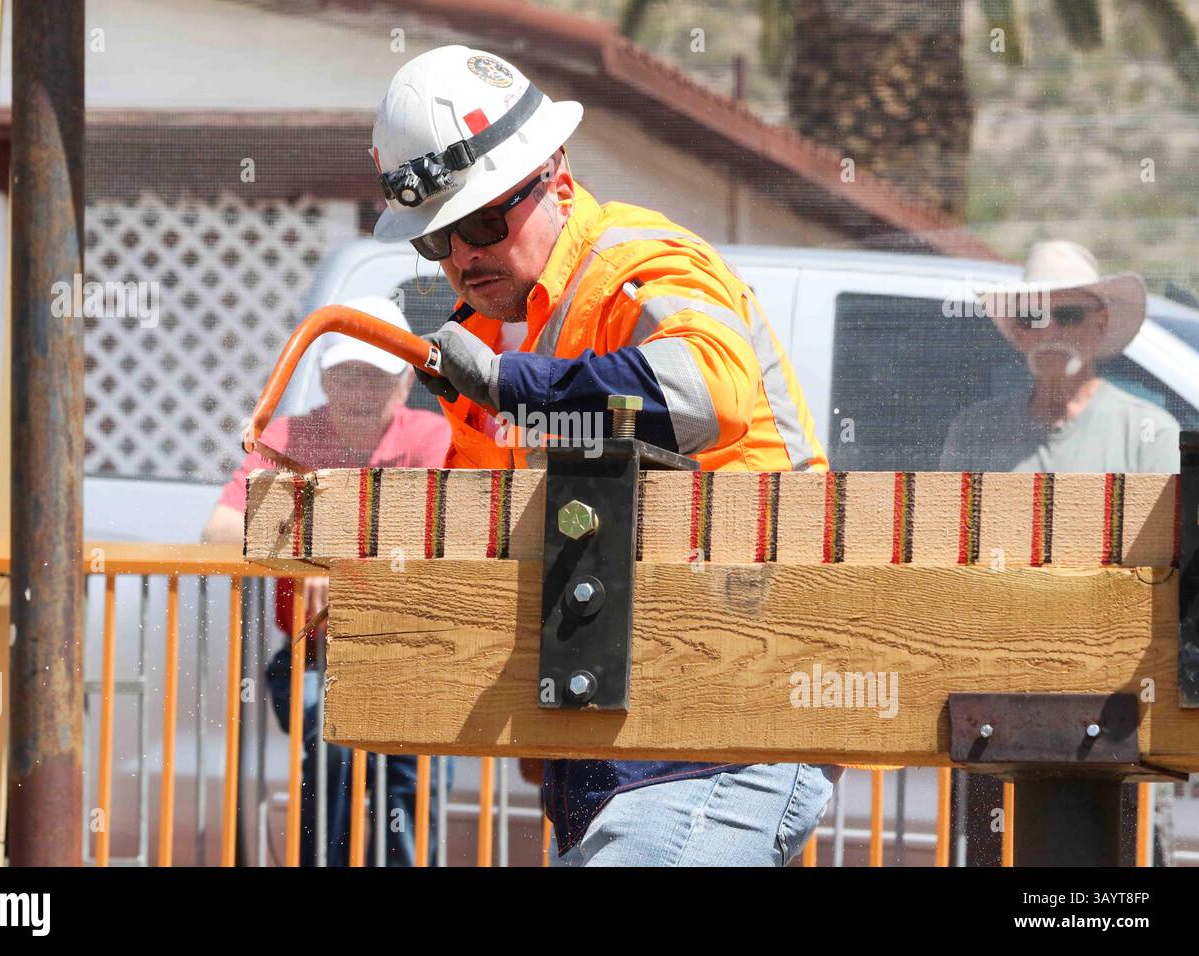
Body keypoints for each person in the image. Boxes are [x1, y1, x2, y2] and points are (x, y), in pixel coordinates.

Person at [370, 45, 838, 866]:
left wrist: (517, 385)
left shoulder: (638, 264)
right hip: (614, 736)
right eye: (436, 241)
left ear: (555, 174)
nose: (460, 259)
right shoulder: (484, 338)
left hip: (733, 705)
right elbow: (493, 531)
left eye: (481, 224)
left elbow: (706, 395)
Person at [940, 239, 1180, 866]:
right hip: (996, 706)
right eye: (1030, 316)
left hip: (1119, 711)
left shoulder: (1147, 433)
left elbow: (1167, 575)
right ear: (1014, 333)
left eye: (1067, 315)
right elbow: (945, 562)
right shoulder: (974, 431)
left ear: (1101, 324)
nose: (1047, 330)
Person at [204, 294, 452, 866]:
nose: (361, 394)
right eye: (347, 377)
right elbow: (216, 531)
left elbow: (463, 540)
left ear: (403, 384)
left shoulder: (434, 440)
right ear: (322, 378)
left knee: (414, 754)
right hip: (313, 657)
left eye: (375, 378)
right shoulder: (289, 437)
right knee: (335, 737)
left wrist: (346, 569)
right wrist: (319, 557)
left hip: (417, 655)